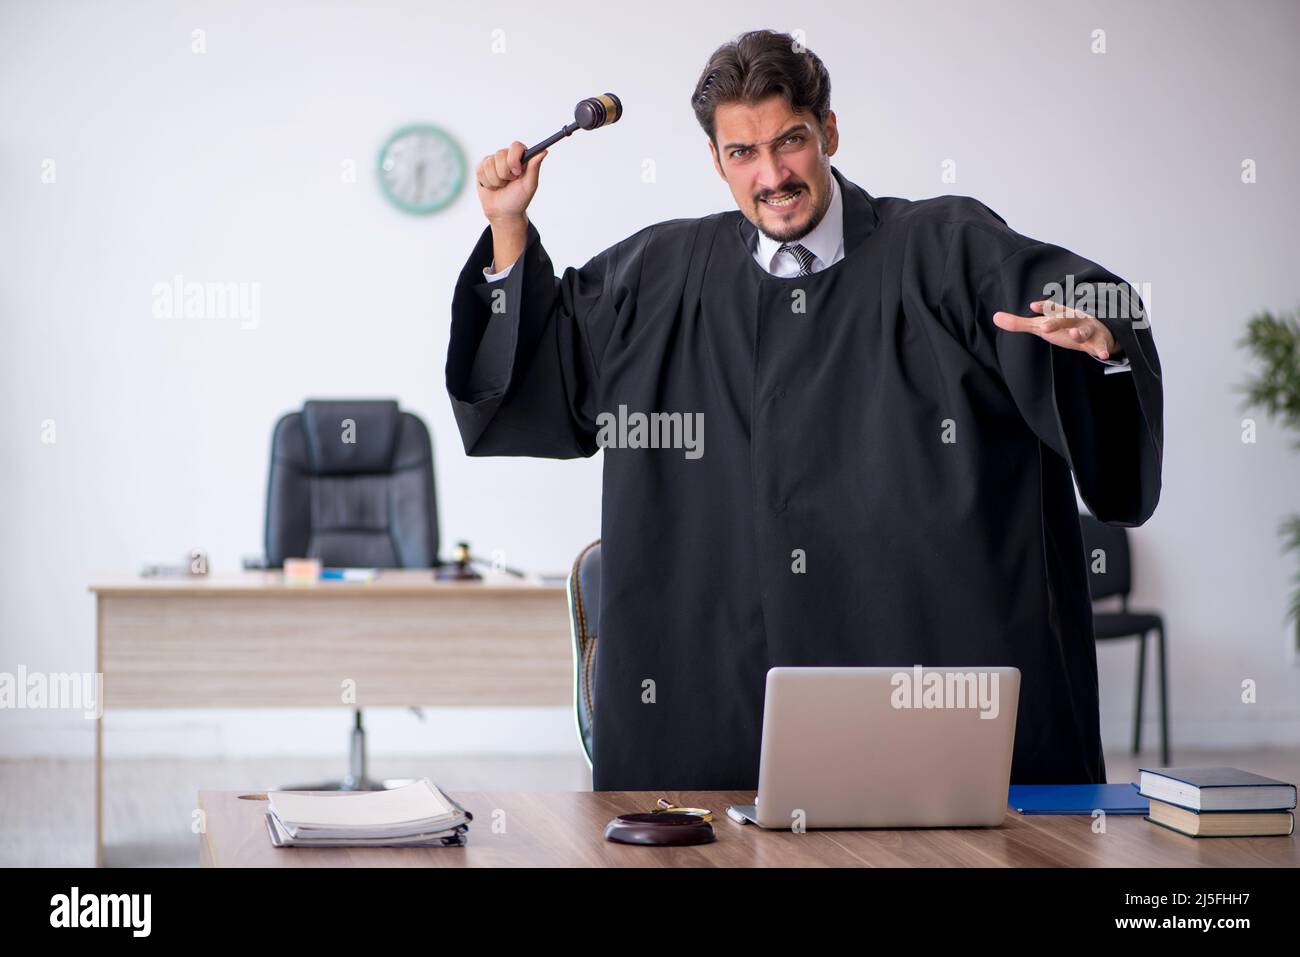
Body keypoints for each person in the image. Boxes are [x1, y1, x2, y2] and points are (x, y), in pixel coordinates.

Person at [446, 29, 1162, 790]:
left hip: (928, 701)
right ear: (717, 163)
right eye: (743, 153)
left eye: (789, 142)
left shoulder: (943, 248)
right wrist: (509, 230)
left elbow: (1088, 297)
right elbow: (535, 388)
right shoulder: (657, 277)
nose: (772, 174)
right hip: (721, 711)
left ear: (828, 131)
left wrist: (1104, 338)